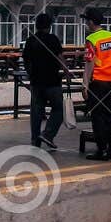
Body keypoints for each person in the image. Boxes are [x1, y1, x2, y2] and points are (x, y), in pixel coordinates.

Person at [21, 12, 66, 151]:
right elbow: (60, 58)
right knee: (58, 109)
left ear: (36, 25)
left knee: (36, 111)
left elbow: (26, 60)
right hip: (52, 81)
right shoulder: (53, 39)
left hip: (36, 82)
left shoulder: (31, 40)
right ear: (49, 26)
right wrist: (66, 71)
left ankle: (35, 140)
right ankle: (47, 134)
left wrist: (31, 75)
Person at [81, 7, 111, 159]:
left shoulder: (92, 39)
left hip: (97, 83)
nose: (86, 23)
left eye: (86, 20)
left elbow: (89, 63)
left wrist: (85, 84)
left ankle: (101, 150)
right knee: (110, 116)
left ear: (91, 22)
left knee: (98, 117)